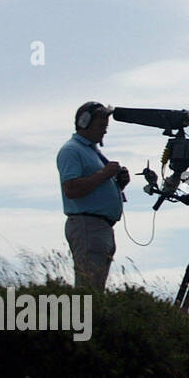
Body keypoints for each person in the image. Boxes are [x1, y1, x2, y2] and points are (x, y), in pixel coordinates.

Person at [57, 102, 130, 291]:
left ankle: (92, 318)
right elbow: (71, 189)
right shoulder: (72, 150)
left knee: (95, 288)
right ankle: (86, 318)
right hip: (87, 225)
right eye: (101, 126)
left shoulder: (91, 152)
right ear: (84, 122)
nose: (104, 132)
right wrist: (104, 174)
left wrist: (118, 183)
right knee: (88, 288)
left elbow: (93, 185)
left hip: (99, 227)